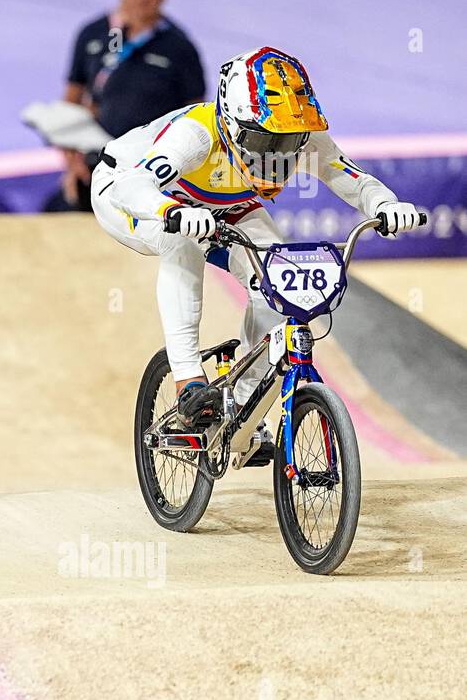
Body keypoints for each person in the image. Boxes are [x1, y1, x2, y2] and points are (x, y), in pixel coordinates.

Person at [89, 47, 420, 432]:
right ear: (230, 123)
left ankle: (244, 405)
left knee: (278, 277)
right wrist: (171, 212)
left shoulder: (298, 130)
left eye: (289, 141)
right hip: (131, 192)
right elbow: (130, 187)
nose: (279, 153)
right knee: (181, 243)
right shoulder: (196, 135)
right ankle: (188, 381)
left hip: (223, 205)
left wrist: (386, 204)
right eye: (266, 142)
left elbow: (352, 178)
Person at [52, 0, 205, 212]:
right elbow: (70, 106)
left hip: (153, 170)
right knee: (55, 218)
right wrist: (71, 162)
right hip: (97, 165)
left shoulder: (179, 45)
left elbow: (196, 116)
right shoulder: (94, 34)